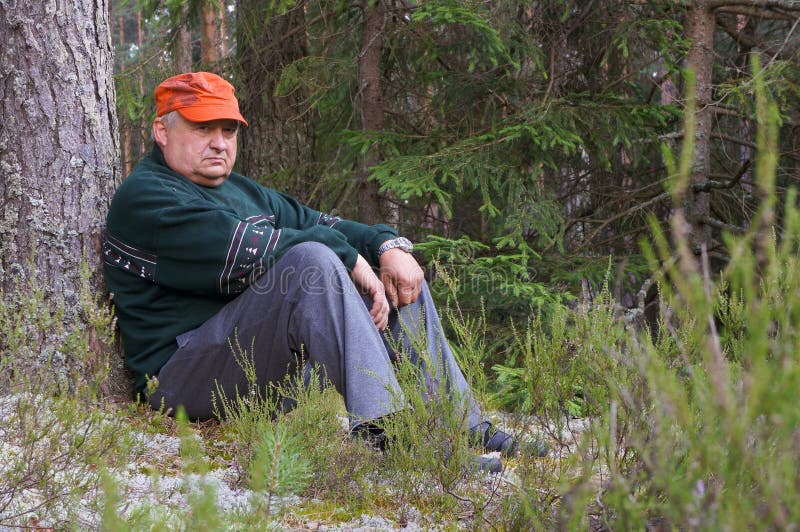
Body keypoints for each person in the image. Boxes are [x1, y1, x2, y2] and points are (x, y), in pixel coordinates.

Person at [103, 71, 515, 462]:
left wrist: (386, 247)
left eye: (228, 131)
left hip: (252, 368)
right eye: (202, 128)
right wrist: (350, 258)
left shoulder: (238, 190)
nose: (219, 143)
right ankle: (388, 433)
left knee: (393, 271)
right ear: (162, 131)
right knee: (311, 261)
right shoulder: (147, 198)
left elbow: (322, 223)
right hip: (180, 380)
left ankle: (461, 423)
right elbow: (257, 248)